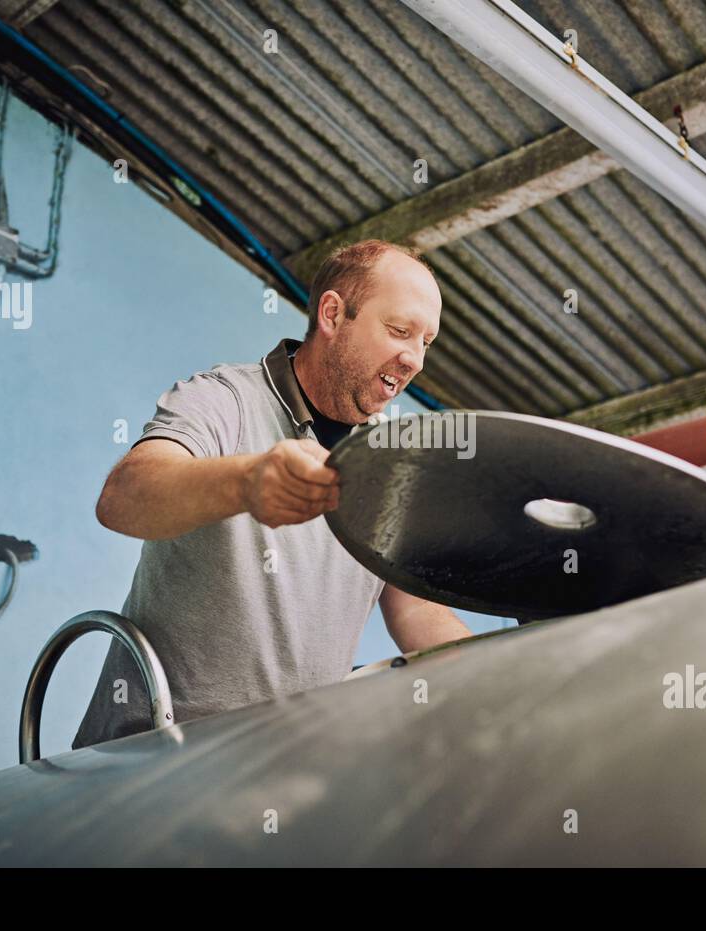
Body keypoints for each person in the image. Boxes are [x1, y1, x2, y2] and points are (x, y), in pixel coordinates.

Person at [72, 239, 471, 748]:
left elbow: (414, 610)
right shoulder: (225, 399)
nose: (414, 359)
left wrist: (511, 667)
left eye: (426, 342)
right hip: (145, 762)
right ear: (332, 314)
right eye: (399, 331)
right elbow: (124, 497)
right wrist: (246, 481)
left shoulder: (391, 467)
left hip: (277, 778)